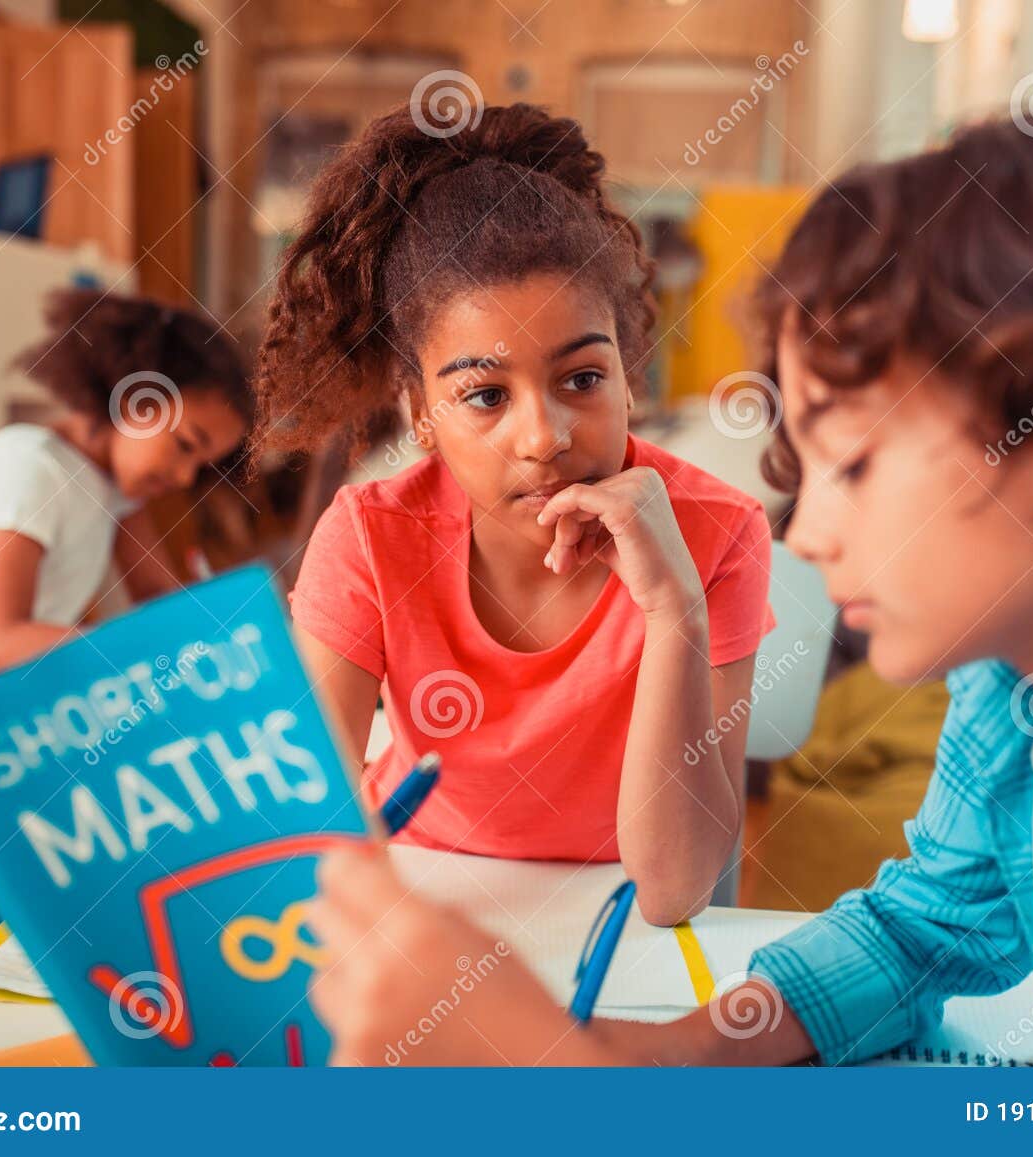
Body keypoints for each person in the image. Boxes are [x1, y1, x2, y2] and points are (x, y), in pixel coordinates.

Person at [305, 115, 1033, 1066]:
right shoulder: (1022, 669)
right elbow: (922, 925)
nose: (809, 531)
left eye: (856, 464)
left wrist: (552, 1079)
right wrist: (641, 1056)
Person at [252, 104, 775, 926]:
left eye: (583, 379)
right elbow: (294, 833)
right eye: (485, 396)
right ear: (420, 414)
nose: (545, 436)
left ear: (629, 375)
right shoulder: (368, 537)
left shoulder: (717, 531)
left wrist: (675, 610)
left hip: (620, 910)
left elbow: (674, 888)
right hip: (428, 892)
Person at [0, 290, 252, 721]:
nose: (183, 478)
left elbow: (157, 596)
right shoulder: (27, 466)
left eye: (201, 466)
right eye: (184, 446)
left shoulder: (116, 490)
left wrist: (218, 627)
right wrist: (138, 651)